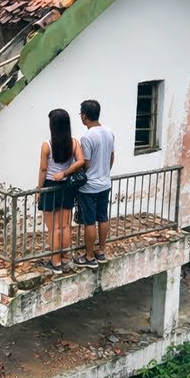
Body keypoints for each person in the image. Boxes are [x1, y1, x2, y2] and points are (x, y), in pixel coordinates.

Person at [39, 108, 84, 273]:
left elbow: (43, 170)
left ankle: (55, 262)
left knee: (53, 227)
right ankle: (65, 258)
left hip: (50, 186)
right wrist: (65, 173)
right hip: (67, 187)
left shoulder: (47, 146)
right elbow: (81, 161)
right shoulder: (74, 142)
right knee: (65, 225)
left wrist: (39, 190)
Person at [74, 99, 114, 269]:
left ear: (84, 116)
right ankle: (101, 250)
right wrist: (105, 172)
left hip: (89, 186)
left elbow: (87, 163)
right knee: (103, 217)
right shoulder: (109, 131)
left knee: (89, 222)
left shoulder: (87, 137)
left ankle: (89, 256)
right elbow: (112, 156)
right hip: (105, 183)